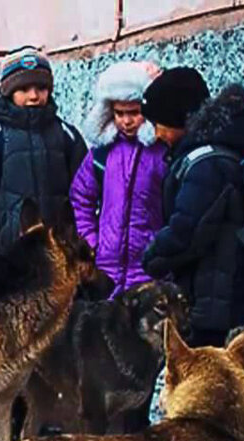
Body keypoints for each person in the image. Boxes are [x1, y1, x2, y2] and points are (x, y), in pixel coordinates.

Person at [140, 68, 244, 348]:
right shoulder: (214, 152)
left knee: (202, 378)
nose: (157, 133)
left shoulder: (207, 165)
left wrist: (152, 257)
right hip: (219, 288)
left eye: (159, 123)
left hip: (213, 293)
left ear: (180, 120)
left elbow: (186, 231)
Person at [0, 46, 87, 259]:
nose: (34, 96)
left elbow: (84, 196)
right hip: (10, 256)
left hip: (61, 254)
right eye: (24, 89)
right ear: (9, 91)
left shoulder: (66, 136)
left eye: (41, 88)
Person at [69, 61, 168, 297]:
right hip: (106, 271)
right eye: (119, 113)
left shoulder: (162, 153)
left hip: (149, 268)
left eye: (134, 112)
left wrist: (160, 246)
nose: (126, 121)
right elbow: (80, 198)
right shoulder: (102, 154)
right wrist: (92, 241)